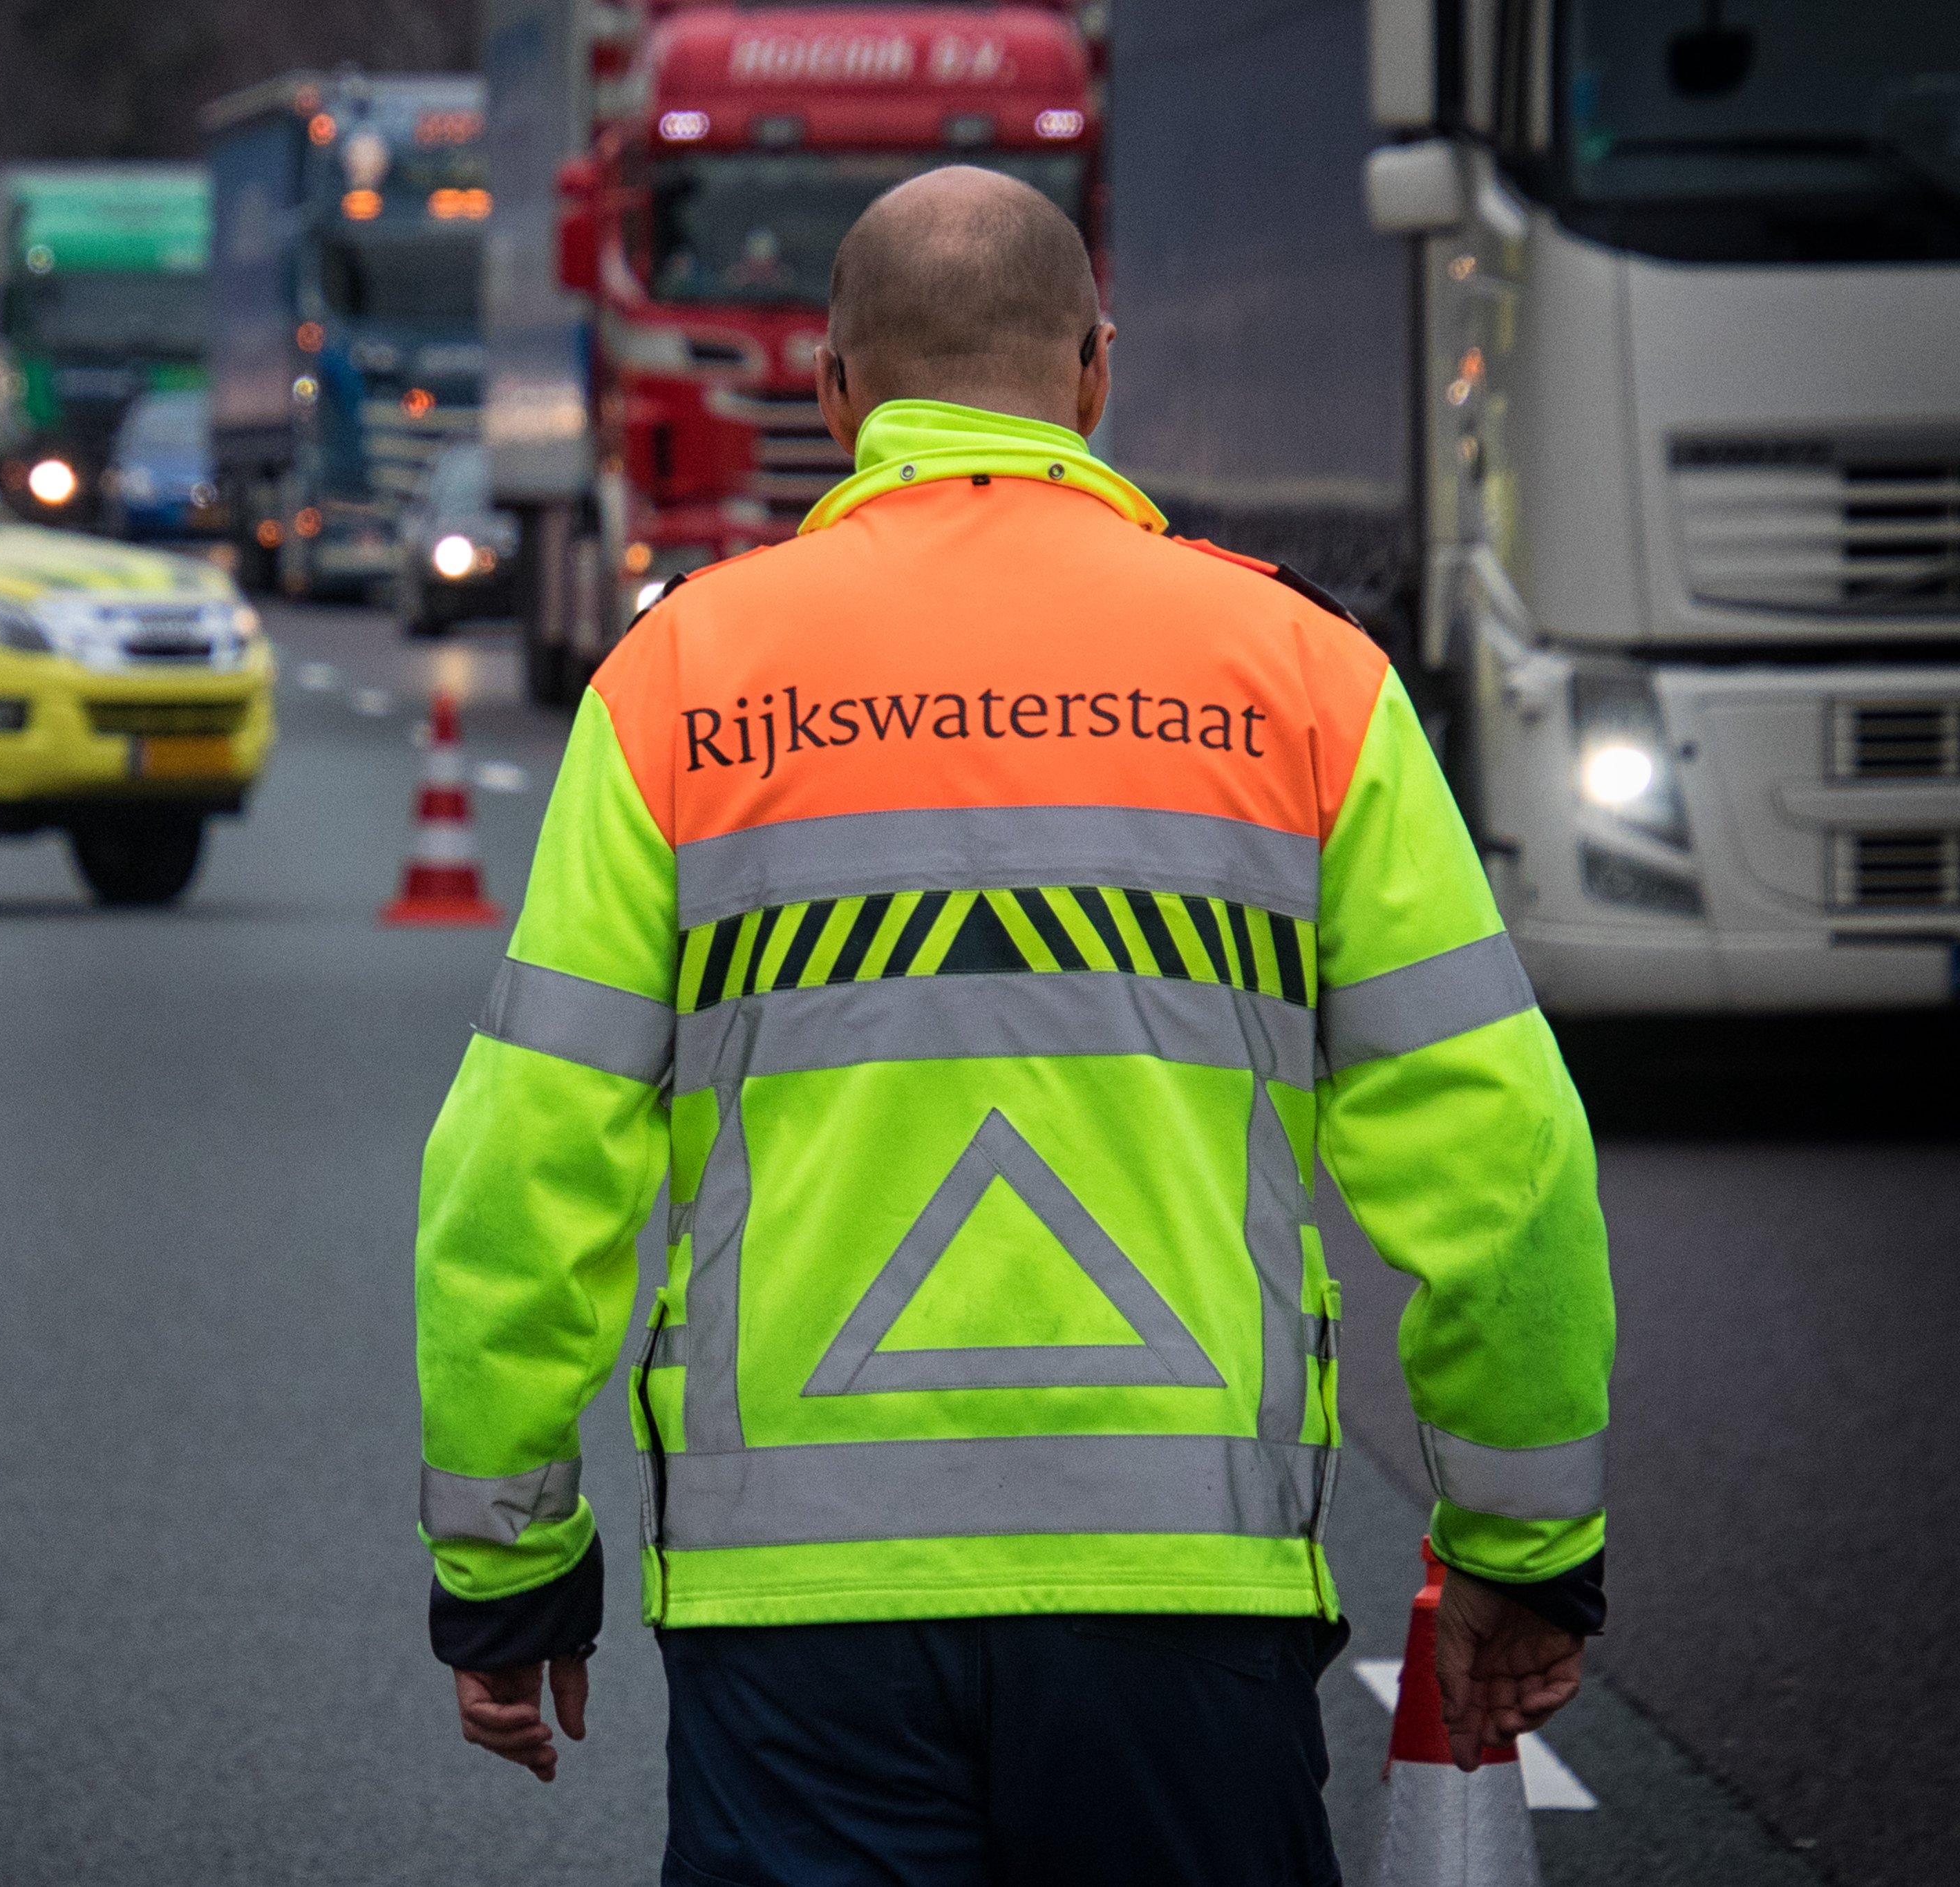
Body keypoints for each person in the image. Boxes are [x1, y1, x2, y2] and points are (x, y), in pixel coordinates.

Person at [413, 166, 1612, 1883]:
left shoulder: (681, 681)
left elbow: (522, 1161)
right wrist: (1519, 1545)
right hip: (1182, 1594)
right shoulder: (1300, 673)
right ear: (1093, 373)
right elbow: (1500, 1157)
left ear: (834, 394)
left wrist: (505, 1569)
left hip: (796, 1616)